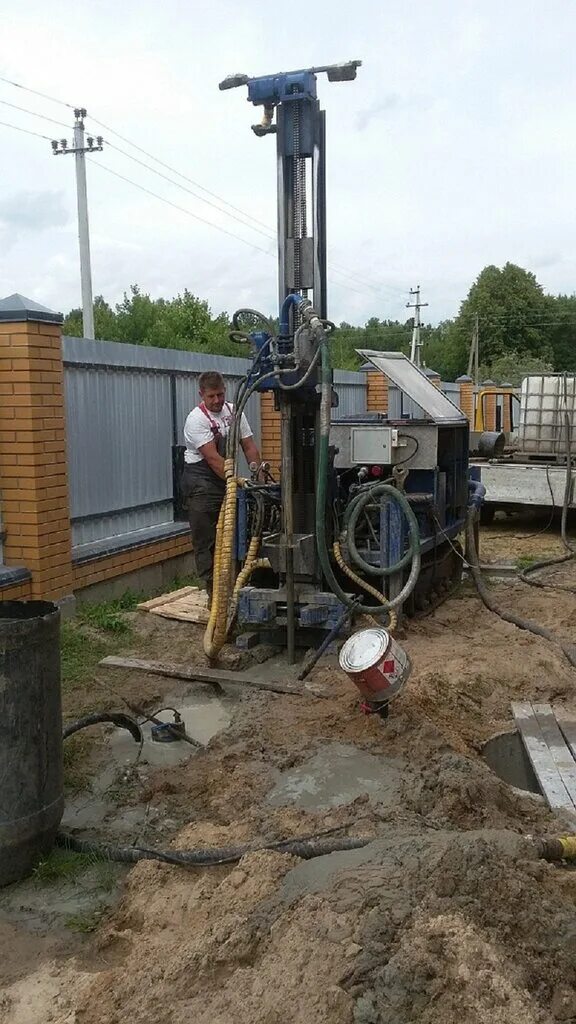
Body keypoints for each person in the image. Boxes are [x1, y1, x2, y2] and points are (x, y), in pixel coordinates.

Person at [181, 371, 261, 598]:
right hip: (201, 483)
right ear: (201, 395)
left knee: (236, 534)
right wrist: (234, 483)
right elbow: (214, 459)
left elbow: (248, 446)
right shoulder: (196, 419)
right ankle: (214, 594)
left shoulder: (234, 411)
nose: (217, 401)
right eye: (211, 396)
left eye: (220, 395)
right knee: (206, 540)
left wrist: (259, 476)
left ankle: (237, 586)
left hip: (225, 478)